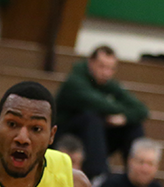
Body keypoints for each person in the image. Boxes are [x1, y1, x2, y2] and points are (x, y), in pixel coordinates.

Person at [55, 45, 148, 180]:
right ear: (90, 63)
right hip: (64, 139)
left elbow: (142, 109)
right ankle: (99, 177)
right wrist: (123, 112)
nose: (106, 73)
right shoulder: (74, 82)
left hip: (92, 140)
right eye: (102, 66)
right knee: (91, 119)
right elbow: (101, 105)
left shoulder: (107, 83)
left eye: (111, 68)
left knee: (133, 126)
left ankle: (135, 175)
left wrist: (125, 118)